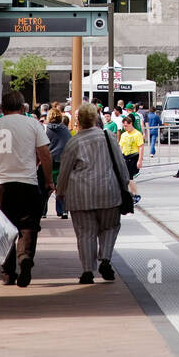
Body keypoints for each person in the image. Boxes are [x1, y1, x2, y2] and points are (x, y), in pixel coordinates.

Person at [0, 90, 53, 287]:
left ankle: (7, 272)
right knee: (28, 224)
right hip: (28, 183)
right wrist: (48, 180)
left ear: (2, 109)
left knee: (4, 228)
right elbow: (45, 154)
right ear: (23, 108)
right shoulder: (33, 124)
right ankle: (25, 256)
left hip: (2, 184)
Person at [56, 102, 131, 284]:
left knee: (85, 232)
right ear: (96, 118)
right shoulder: (109, 137)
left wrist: (60, 191)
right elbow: (120, 164)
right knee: (110, 227)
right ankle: (105, 258)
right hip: (109, 192)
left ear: (78, 120)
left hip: (81, 195)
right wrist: (125, 182)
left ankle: (87, 271)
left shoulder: (74, 142)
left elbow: (65, 170)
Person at [45, 108, 72, 218]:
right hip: (63, 160)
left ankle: (43, 212)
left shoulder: (47, 130)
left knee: (46, 187)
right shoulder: (65, 130)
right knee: (62, 187)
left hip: (50, 160)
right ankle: (63, 211)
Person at [118, 111, 143, 203]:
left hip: (134, 157)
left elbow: (141, 147)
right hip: (125, 157)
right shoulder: (124, 135)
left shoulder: (137, 134)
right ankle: (132, 194)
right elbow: (121, 146)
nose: (125, 128)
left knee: (129, 177)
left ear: (131, 124)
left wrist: (140, 160)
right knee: (126, 178)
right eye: (124, 126)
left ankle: (135, 194)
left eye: (126, 126)